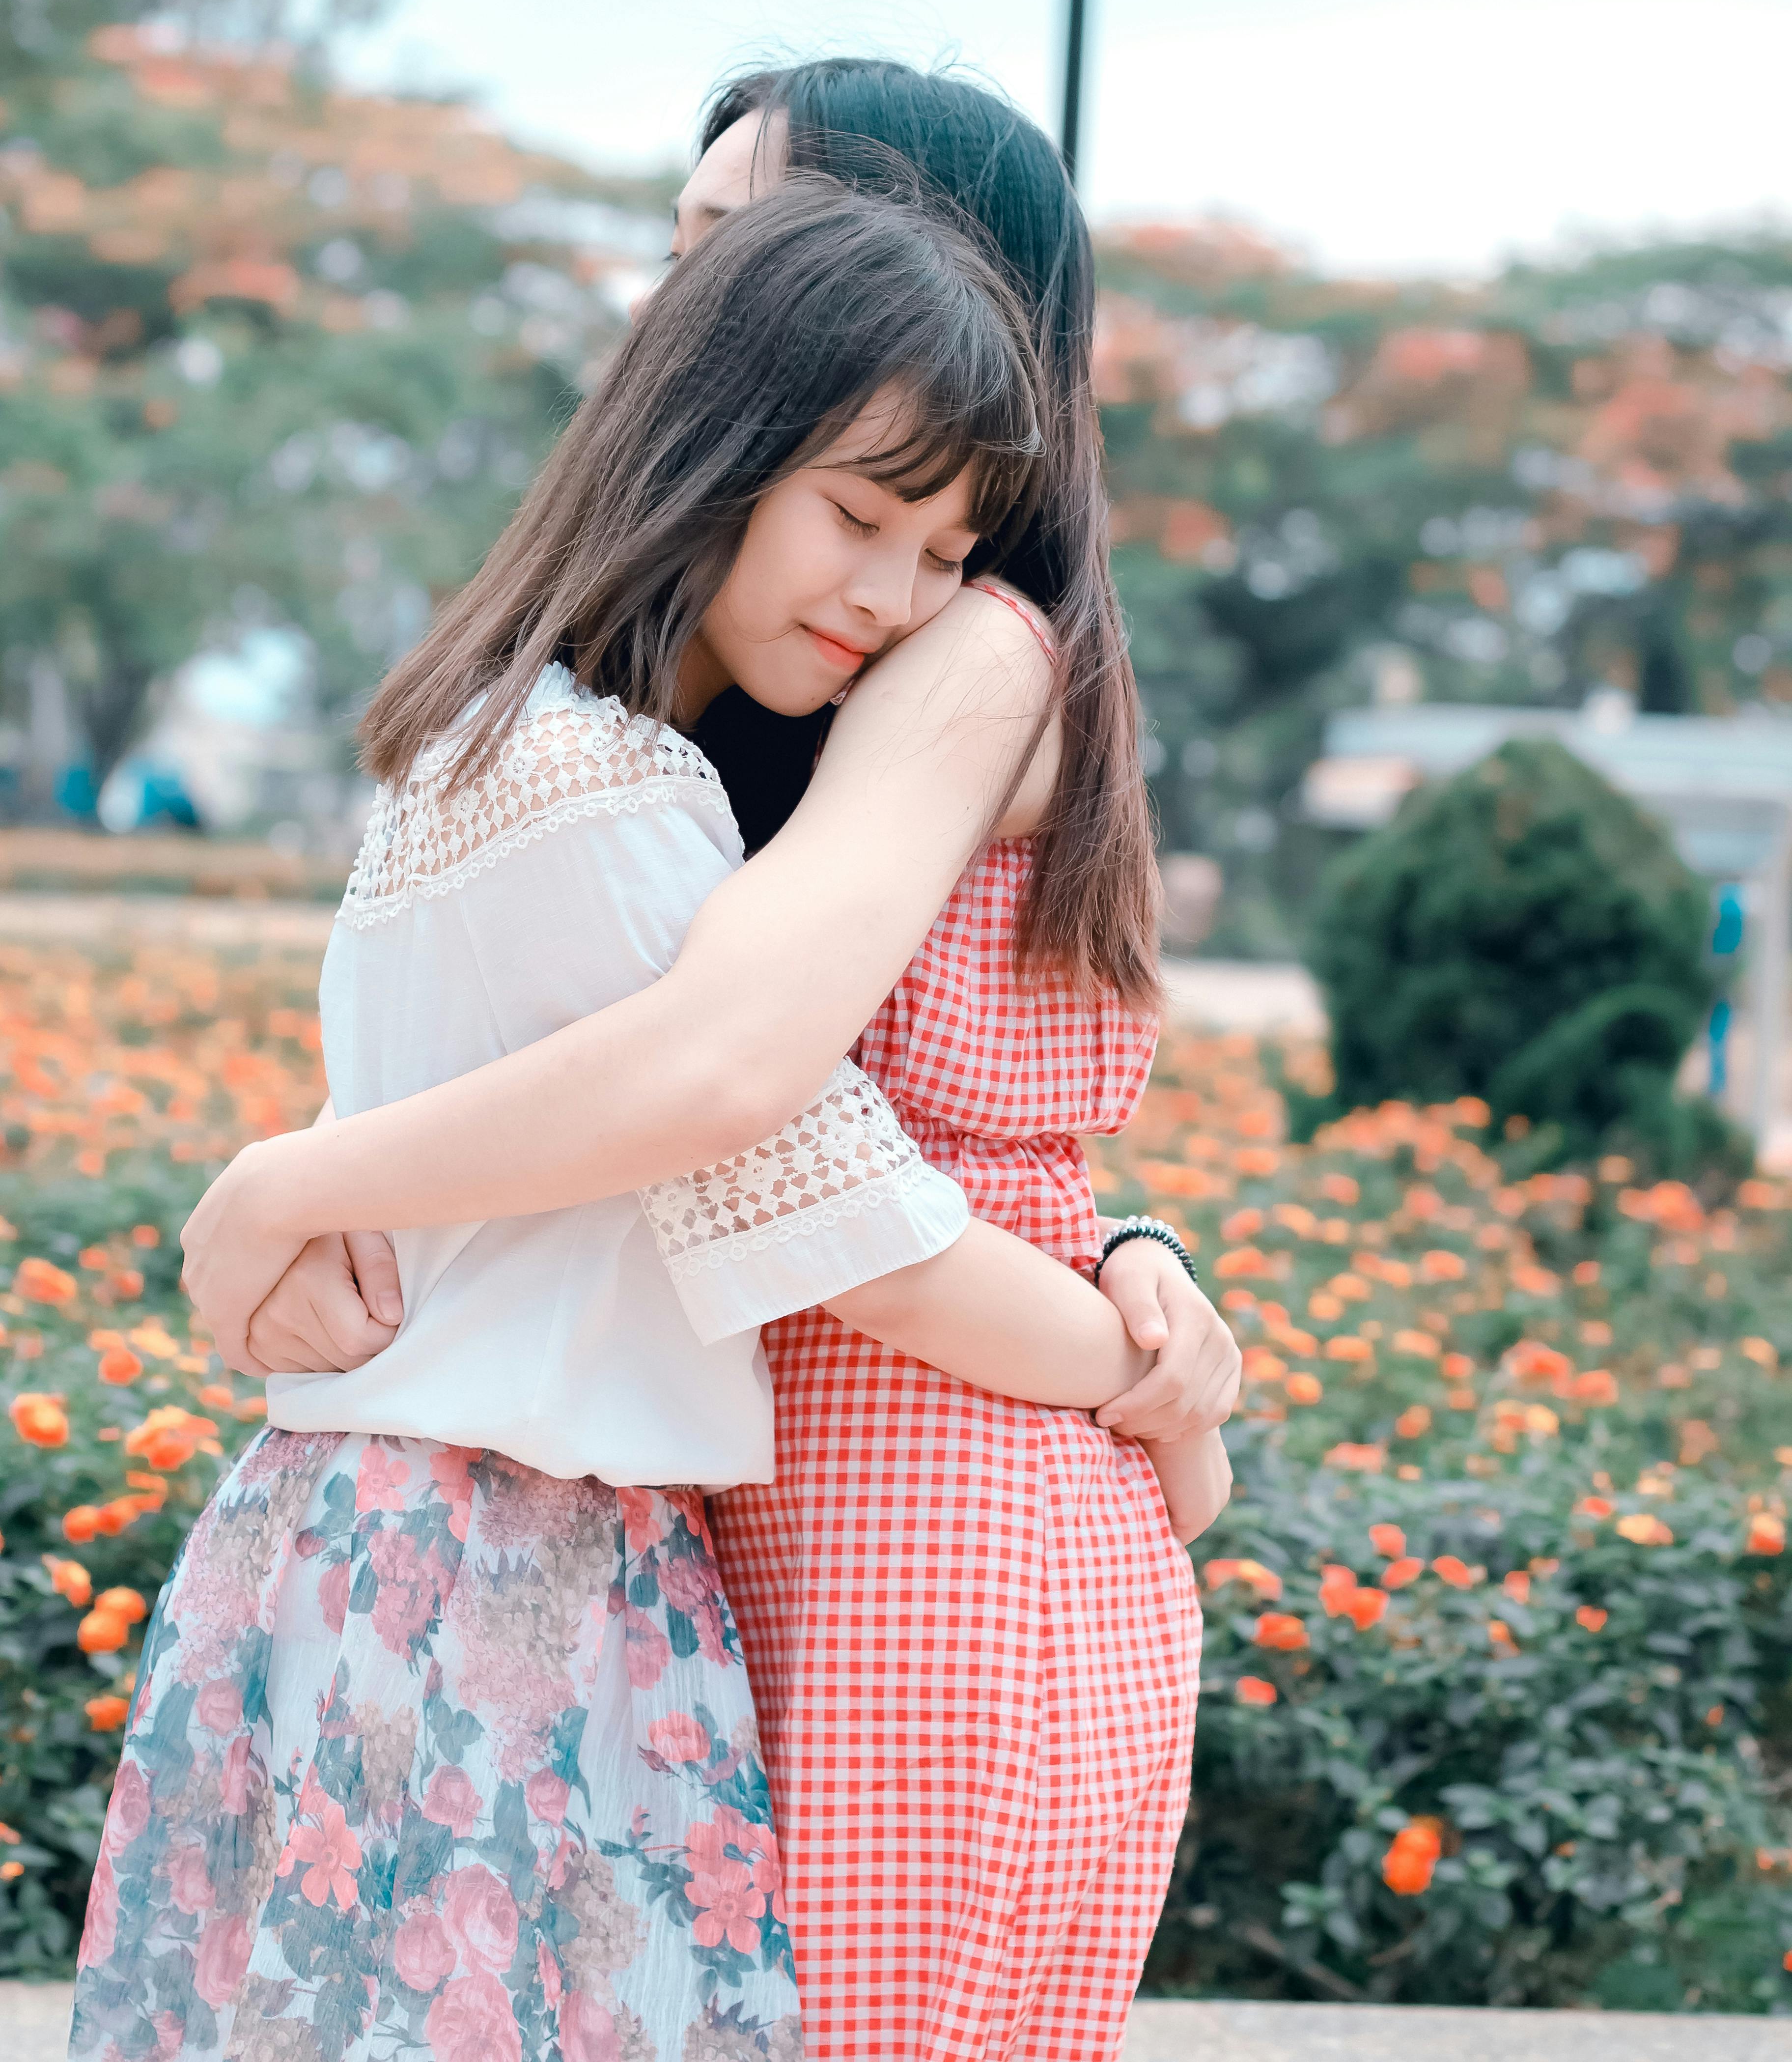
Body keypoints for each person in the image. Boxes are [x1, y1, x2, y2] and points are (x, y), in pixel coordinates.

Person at [74, 178, 1198, 2062]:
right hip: (495, 1560)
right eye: (857, 515)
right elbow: (818, 1189)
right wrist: (1154, 1374)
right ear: (717, 446)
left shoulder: (504, 745)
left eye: (944, 551)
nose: (895, 600)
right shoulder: (608, 800)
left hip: (403, 1540)